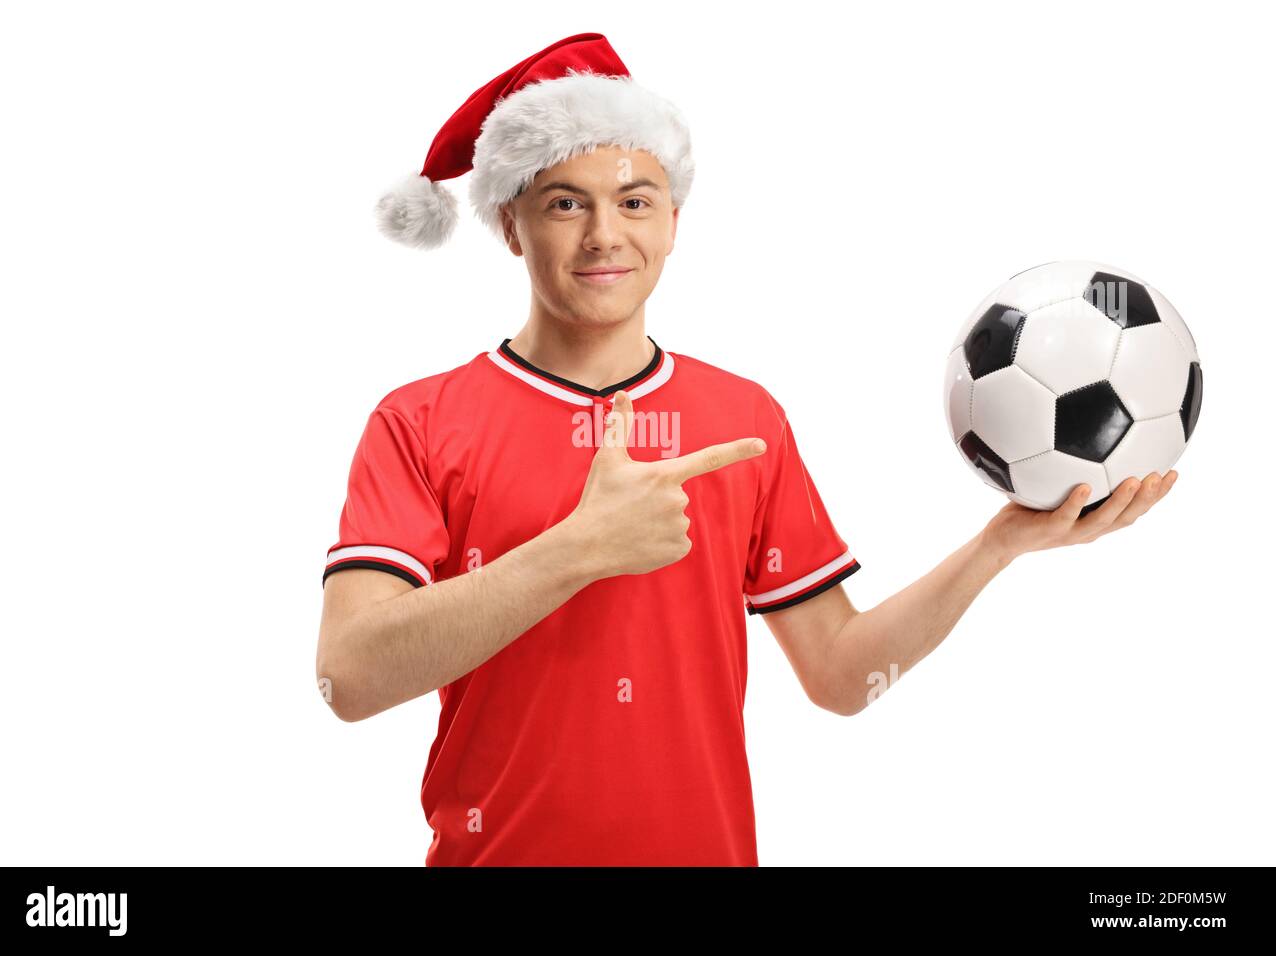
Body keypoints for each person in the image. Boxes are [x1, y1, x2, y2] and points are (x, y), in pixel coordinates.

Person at [315, 33, 1177, 866]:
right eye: (565, 202)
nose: (605, 235)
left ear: (675, 221)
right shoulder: (420, 421)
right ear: (510, 225)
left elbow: (841, 677)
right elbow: (349, 679)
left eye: (635, 200)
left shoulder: (743, 417)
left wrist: (1000, 546)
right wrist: (576, 551)